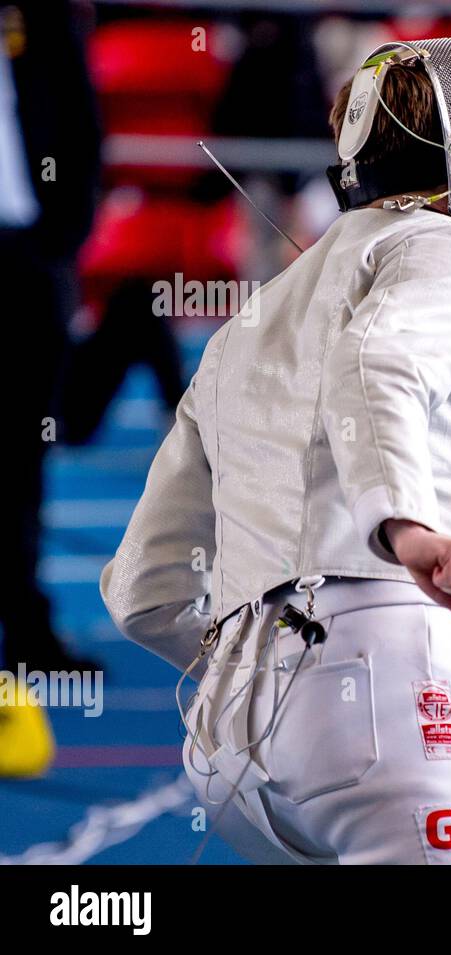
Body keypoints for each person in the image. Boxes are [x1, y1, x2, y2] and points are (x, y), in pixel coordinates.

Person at [100, 37, 451, 864]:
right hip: (383, 693)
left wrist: (257, 662)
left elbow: (142, 589)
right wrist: (407, 531)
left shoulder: (248, 319)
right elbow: (375, 362)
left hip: (237, 754)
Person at [0, 0, 102, 674]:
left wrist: (63, 240)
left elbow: (79, 121)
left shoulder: (39, 12)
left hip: (25, 260)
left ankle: (26, 632)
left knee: (21, 456)